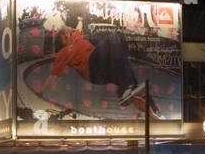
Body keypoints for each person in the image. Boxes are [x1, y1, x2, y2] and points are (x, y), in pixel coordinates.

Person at [31, 14, 159, 117]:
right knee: (113, 38)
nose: (67, 35)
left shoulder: (76, 36)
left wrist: (81, 19)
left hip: (104, 70)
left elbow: (79, 26)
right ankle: (124, 92)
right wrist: (41, 92)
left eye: (67, 33)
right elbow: (52, 77)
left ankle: (154, 112)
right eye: (64, 37)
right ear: (62, 42)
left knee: (130, 74)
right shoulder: (63, 53)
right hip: (93, 68)